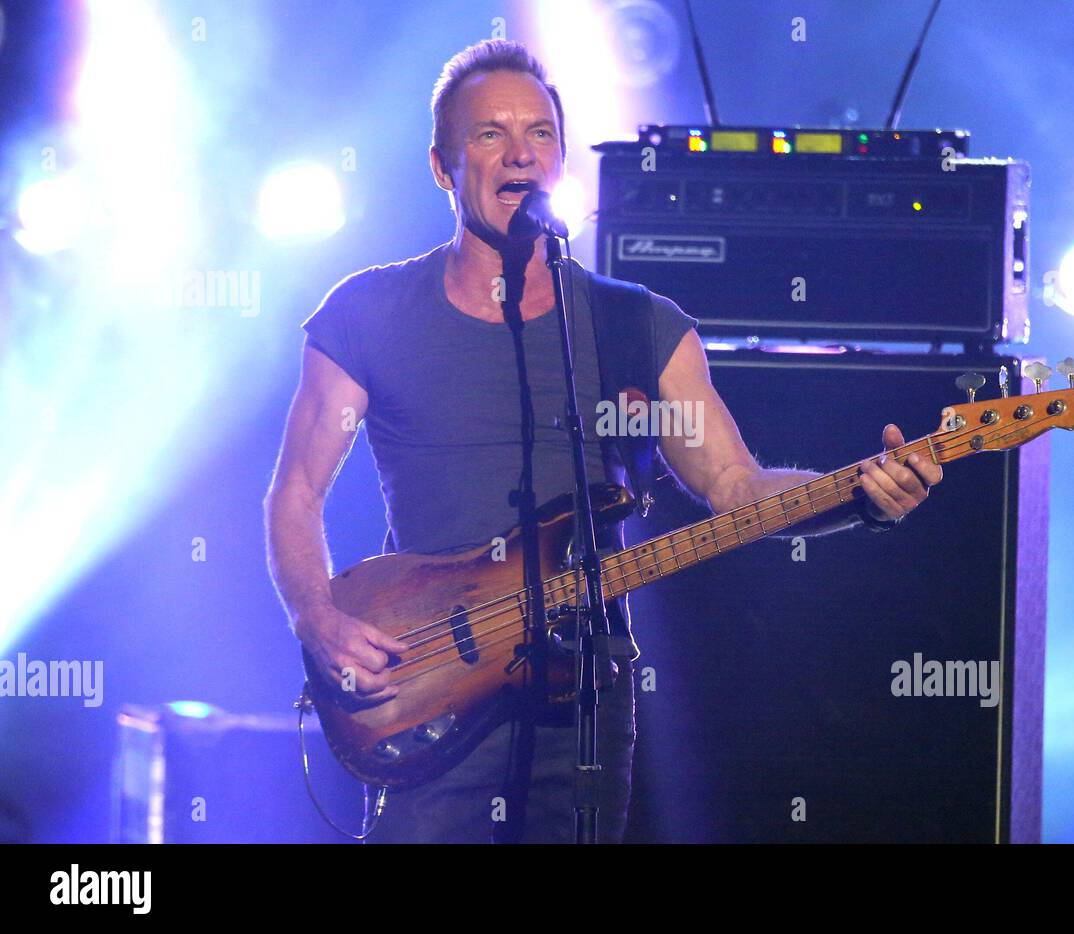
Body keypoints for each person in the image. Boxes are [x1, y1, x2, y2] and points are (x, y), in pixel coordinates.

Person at [263, 39, 943, 844]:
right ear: (443, 166)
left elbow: (733, 485)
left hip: (580, 696)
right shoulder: (368, 314)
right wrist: (316, 615)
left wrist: (856, 497)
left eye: (540, 133)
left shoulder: (635, 325)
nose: (521, 152)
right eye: (490, 134)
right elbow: (297, 492)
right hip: (428, 681)